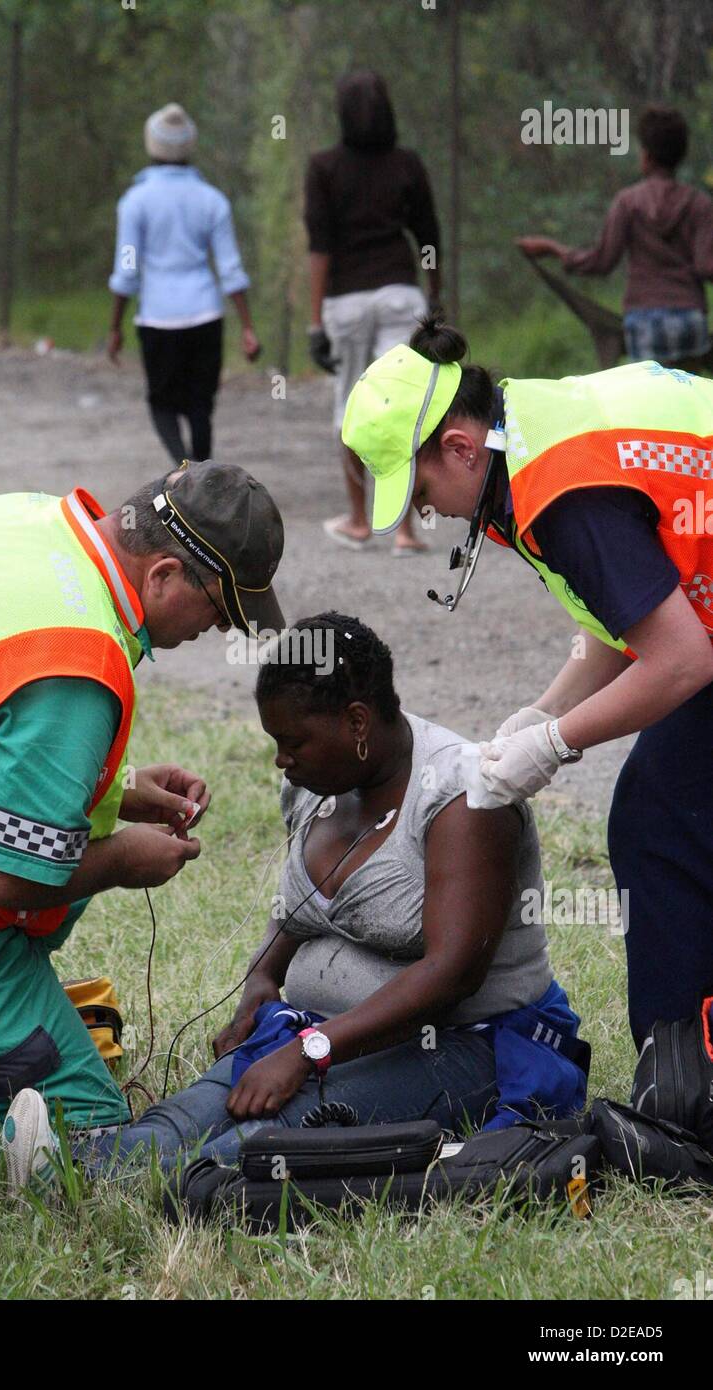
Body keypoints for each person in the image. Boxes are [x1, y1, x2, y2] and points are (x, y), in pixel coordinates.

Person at [0, 460, 284, 1192]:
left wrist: (118, 790)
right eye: (218, 609)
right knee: (82, 1136)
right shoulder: (78, 659)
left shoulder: (21, 521)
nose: (214, 631)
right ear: (165, 575)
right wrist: (119, 860)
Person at [70, 613, 588, 1177]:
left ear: (357, 722)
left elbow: (452, 974)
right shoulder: (317, 782)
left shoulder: (463, 798)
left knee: (250, 1151)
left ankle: (136, 1179)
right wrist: (262, 979)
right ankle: (48, 1166)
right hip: (321, 1029)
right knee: (174, 1124)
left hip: (467, 1045)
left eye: (292, 742)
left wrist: (307, 1051)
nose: (280, 761)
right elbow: (299, 910)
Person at [342, 314, 713, 1048]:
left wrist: (553, 744)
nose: (423, 510)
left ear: (459, 446)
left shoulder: (559, 489)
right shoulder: (525, 431)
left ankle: (679, 1075)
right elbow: (625, 615)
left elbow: (681, 661)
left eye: (418, 488)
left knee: (659, 820)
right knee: (670, 809)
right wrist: (542, 708)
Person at [305, 70, 442, 557]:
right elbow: (428, 236)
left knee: (350, 408)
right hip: (401, 294)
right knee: (401, 406)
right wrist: (436, 295)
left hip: (346, 301)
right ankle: (404, 528)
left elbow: (319, 248)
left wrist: (315, 321)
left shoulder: (323, 168)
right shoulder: (406, 165)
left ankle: (360, 520)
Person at [107, 103, 260, 464]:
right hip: (206, 313)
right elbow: (230, 268)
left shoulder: (134, 202)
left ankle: (183, 467)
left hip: (158, 317)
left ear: (151, 145)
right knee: (200, 405)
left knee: (162, 404)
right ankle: (201, 470)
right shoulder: (212, 200)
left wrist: (115, 327)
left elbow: (126, 271)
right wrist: (248, 327)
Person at [518, 105, 713, 365]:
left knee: (650, 399)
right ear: (681, 155)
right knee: (688, 396)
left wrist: (553, 249)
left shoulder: (628, 202)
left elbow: (601, 262)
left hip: (644, 324)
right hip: (690, 321)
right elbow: (706, 266)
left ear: (647, 156)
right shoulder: (700, 204)